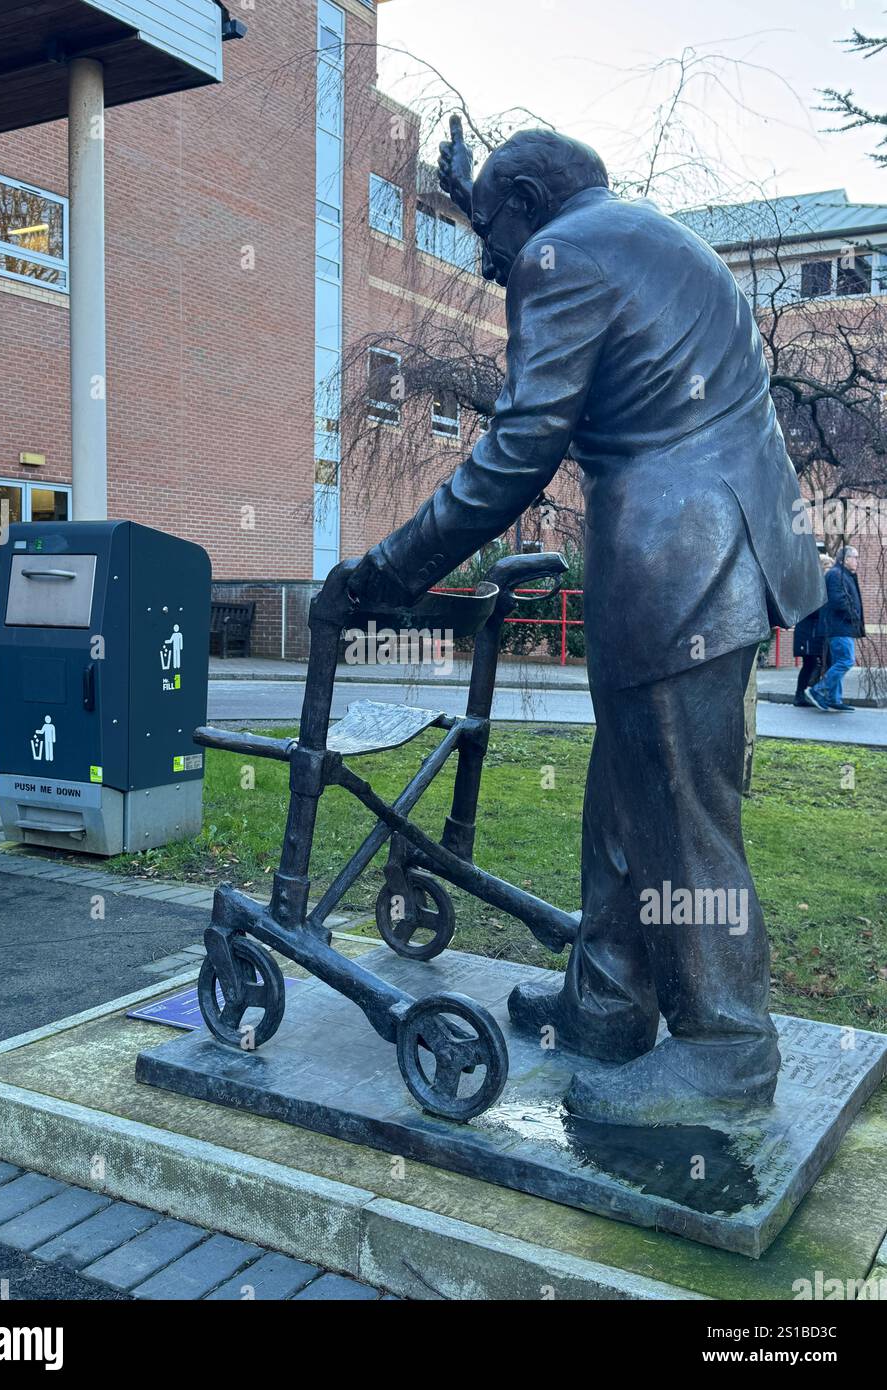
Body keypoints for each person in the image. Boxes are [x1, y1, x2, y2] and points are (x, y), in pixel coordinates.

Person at [346, 119, 825, 1124]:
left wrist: (388, 571)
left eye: (488, 228)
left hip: (683, 556)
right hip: (719, 543)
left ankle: (727, 1049)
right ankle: (607, 1001)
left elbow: (520, 446)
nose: (487, 258)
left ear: (526, 205)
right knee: (626, 793)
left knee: (684, 811)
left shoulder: (564, 254)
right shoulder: (641, 238)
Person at [804, 547, 865, 713]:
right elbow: (839, 601)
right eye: (855, 557)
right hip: (839, 627)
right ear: (845, 559)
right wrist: (854, 615)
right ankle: (817, 690)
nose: (857, 561)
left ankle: (834, 698)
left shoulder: (842, 575)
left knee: (839, 661)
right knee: (846, 661)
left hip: (843, 626)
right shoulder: (835, 575)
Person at [794, 552, 834, 705]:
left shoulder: (823, 585)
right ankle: (800, 695)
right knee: (810, 663)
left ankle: (810, 691)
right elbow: (810, 610)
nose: (829, 571)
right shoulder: (813, 585)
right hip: (808, 633)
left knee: (823, 662)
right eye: (827, 567)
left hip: (816, 632)